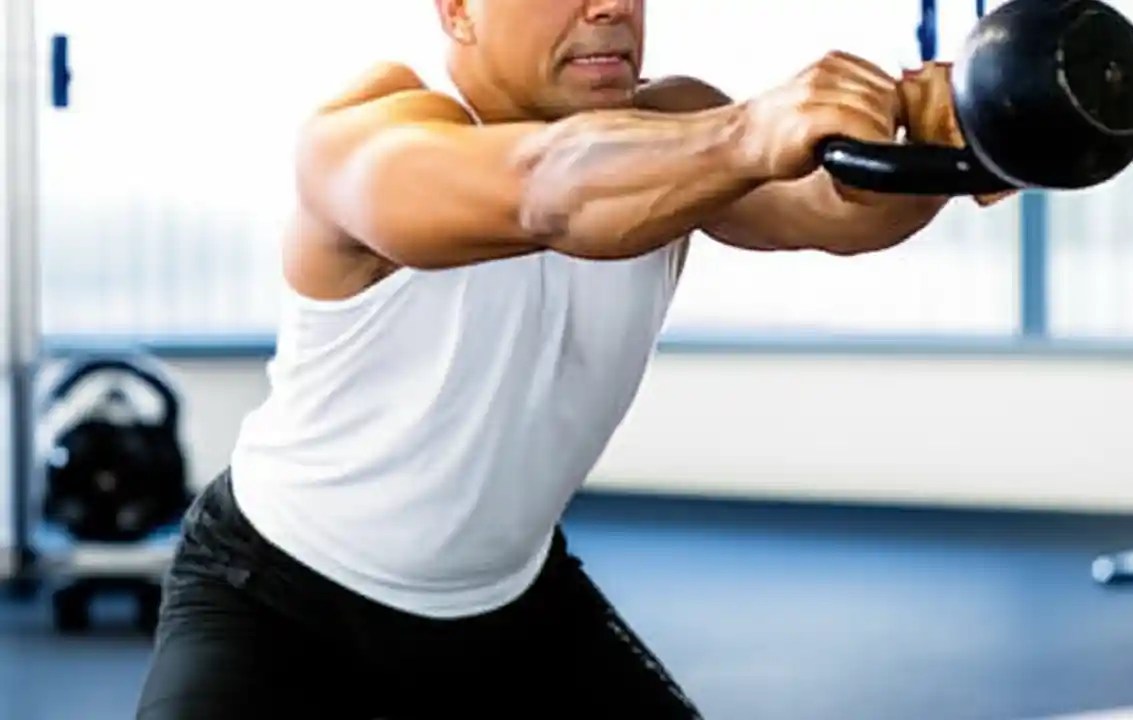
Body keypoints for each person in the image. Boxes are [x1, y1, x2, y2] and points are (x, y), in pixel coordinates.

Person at [136, 1, 1008, 718]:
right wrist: (746, 134)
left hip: (510, 606)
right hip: (280, 603)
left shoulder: (674, 130)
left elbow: (841, 211)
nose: (613, 9)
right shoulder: (364, 135)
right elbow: (546, 192)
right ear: (456, 10)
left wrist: (957, 143)